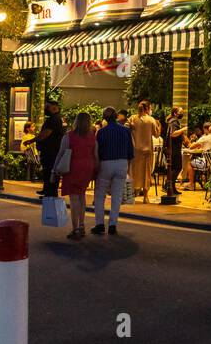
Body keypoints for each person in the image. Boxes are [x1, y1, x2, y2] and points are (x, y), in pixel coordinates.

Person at [55, 112, 98, 240]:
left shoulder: (69, 136)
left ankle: (75, 228)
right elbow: (96, 155)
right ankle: (82, 224)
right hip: (87, 168)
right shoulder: (92, 137)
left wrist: (54, 170)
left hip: (73, 167)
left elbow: (61, 153)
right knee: (81, 196)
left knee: (74, 199)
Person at [94, 107, 134, 235]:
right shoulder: (126, 131)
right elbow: (130, 152)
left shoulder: (101, 133)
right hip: (122, 163)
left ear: (104, 118)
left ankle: (100, 224)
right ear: (116, 116)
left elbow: (97, 152)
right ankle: (113, 225)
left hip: (105, 163)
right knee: (117, 196)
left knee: (100, 195)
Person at [128, 101, 161, 203]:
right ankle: (145, 197)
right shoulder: (151, 120)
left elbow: (125, 127)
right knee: (146, 173)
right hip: (147, 151)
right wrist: (159, 126)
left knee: (133, 172)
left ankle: (133, 193)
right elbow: (156, 135)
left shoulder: (132, 119)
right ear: (147, 108)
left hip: (134, 150)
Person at [33, 100, 65, 198]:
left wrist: (33, 140)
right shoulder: (57, 118)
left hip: (51, 151)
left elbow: (46, 133)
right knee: (48, 171)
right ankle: (47, 190)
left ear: (54, 107)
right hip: (52, 150)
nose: (46, 108)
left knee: (50, 171)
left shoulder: (54, 119)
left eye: (48, 106)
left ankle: (50, 192)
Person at [163, 106, 186, 198]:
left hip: (173, 148)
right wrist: (183, 129)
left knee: (174, 168)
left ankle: (171, 187)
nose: (182, 113)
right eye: (180, 112)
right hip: (173, 148)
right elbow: (173, 134)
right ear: (175, 113)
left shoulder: (172, 120)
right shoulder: (174, 121)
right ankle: (168, 185)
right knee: (178, 167)